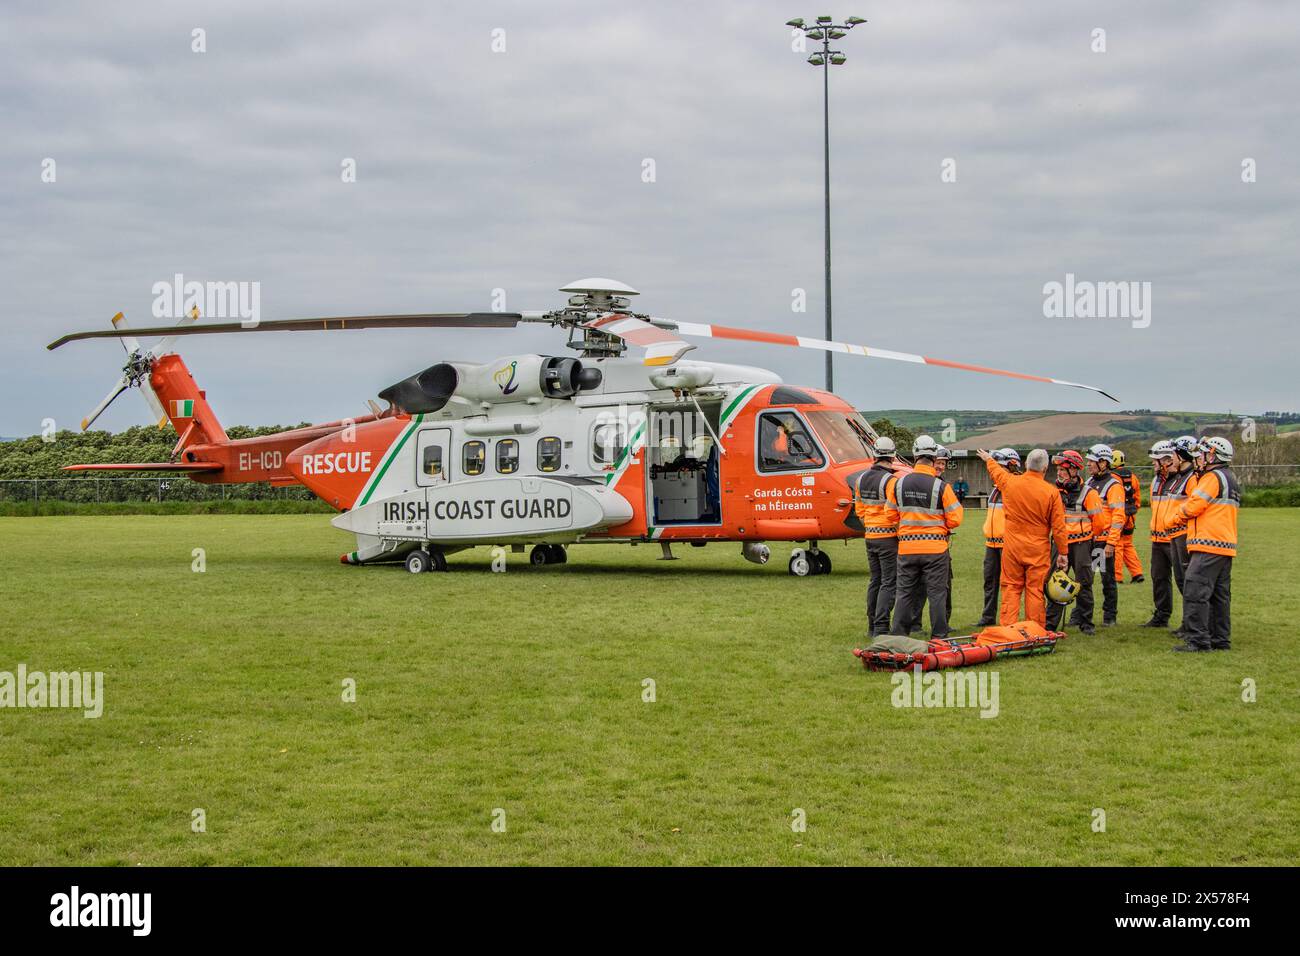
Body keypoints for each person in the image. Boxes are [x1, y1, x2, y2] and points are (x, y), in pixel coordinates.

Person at [979, 447, 1068, 628]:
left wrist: (989, 458)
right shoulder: (1051, 492)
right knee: (1035, 590)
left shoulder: (1011, 482)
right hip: (1038, 549)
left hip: (1012, 548)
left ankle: (1007, 629)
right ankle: (1034, 630)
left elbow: (996, 472)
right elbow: (1058, 527)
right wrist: (1063, 553)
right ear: (1045, 469)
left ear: (1026, 464)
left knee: (1011, 588)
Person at [888, 435, 963, 639]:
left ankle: (898, 635)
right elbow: (956, 518)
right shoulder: (941, 486)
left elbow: (889, 514)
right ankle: (939, 635)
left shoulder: (898, 484)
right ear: (933, 457)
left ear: (914, 455)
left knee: (904, 593)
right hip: (936, 550)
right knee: (937, 594)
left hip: (907, 549)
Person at [1169, 437, 1239, 652]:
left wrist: (1176, 515)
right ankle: (1220, 640)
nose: (1199, 458)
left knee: (1194, 591)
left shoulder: (1212, 477)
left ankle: (1198, 641)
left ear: (1212, 456)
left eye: (1203, 454)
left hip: (1208, 544)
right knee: (1219, 596)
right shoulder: (1230, 477)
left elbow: (1194, 506)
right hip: (1224, 544)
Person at [1046, 449, 1103, 634]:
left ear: (1074, 470)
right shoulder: (1054, 492)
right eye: (1059, 470)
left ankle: (1086, 623)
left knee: (1084, 583)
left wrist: (1085, 537)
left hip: (1082, 545)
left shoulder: (1089, 494)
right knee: (1054, 582)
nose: (1059, 473)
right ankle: (1050, 624)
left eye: (1064, 469)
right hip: (1059, 544)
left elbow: (1100, 523)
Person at [854, 436, 902, 637]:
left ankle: (871, 625)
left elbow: (860, 511)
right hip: (888, 537)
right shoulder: (891, 481)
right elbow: (896, 511)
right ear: (892, 455)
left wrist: (872, 527)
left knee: (875, 580)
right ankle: (881, 627)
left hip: (870, 536)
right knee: (889, 582)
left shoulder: (860, 479)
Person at [1144, 440, 1192, 630]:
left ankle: (1189, 621)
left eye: (1156, 460)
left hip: (1177, 537)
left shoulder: (1185, 479)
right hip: (1157, 538)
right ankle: (1161, 616)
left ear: (1167, 460)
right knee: (1159, 578)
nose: (1154, 464)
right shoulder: (1156, 480)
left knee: (1184, 581)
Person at [1086, 443, 1126, 626]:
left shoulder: (1114, 485)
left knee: (1106, 580)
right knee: (1085, 579)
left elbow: (1119, 517)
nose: (1088, 465)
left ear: (1103, 463)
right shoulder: (1088, 483)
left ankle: (1110, 616)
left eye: (1091, 461)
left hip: (1103, 542)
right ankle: (1081, 614)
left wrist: (1111, 543)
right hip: (1088, 540)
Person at [976, 449, 1011, 627]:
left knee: (1007, 583)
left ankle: (1006, 618)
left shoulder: (1010, 488)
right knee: (990, 581)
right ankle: (988, 616)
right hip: (991, 544)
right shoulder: (995, 490)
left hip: (1007, 545)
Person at [1110, 449, 1145, 584]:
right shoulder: (1133, 477)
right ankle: (1137, 573)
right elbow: (1137, 497)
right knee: (1128, 544)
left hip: (1119, 515)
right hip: (1131, 515)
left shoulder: (1113, 477)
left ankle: (1117, 576)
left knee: (1117, 545)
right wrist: (1134, 510)